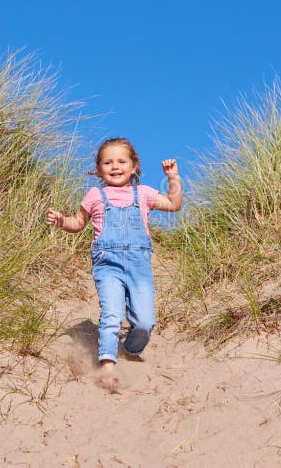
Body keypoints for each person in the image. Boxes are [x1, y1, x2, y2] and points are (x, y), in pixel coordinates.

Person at [47, 137, 182, 391]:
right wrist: (61, 221)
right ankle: (108, 365)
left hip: (139, 265)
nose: (115, 166)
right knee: (110, 315)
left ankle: (130, 348)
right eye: (108, 162)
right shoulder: (95, 195)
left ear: (134, 166)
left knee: (144, 322)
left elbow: (174, 205)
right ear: (99, 169)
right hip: (108, 265)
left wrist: (173, 178)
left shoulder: (143, 193)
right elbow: (78, 223)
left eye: (122, 161)